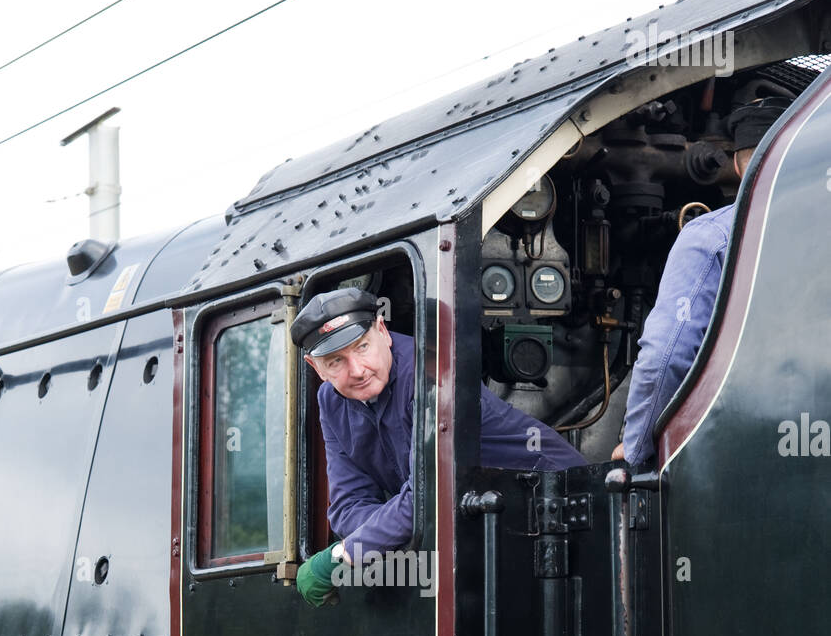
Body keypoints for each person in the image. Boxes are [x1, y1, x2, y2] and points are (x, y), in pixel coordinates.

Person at [291, 287, 585, 605]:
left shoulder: (432, 374)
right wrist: (387, 531)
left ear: (382, 331)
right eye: (336, 361)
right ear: (315, 367)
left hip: (567, 509)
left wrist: (347, 552)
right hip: (489, 528)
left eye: (362, 347)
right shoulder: (331, 401)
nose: (357, 370)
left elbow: (431, 494)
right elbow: (349, 506)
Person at [613, 96, 791, 467]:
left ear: (741, 165)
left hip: (742, 452)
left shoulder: (711, 237)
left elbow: (666, 357)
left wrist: (634, 450)